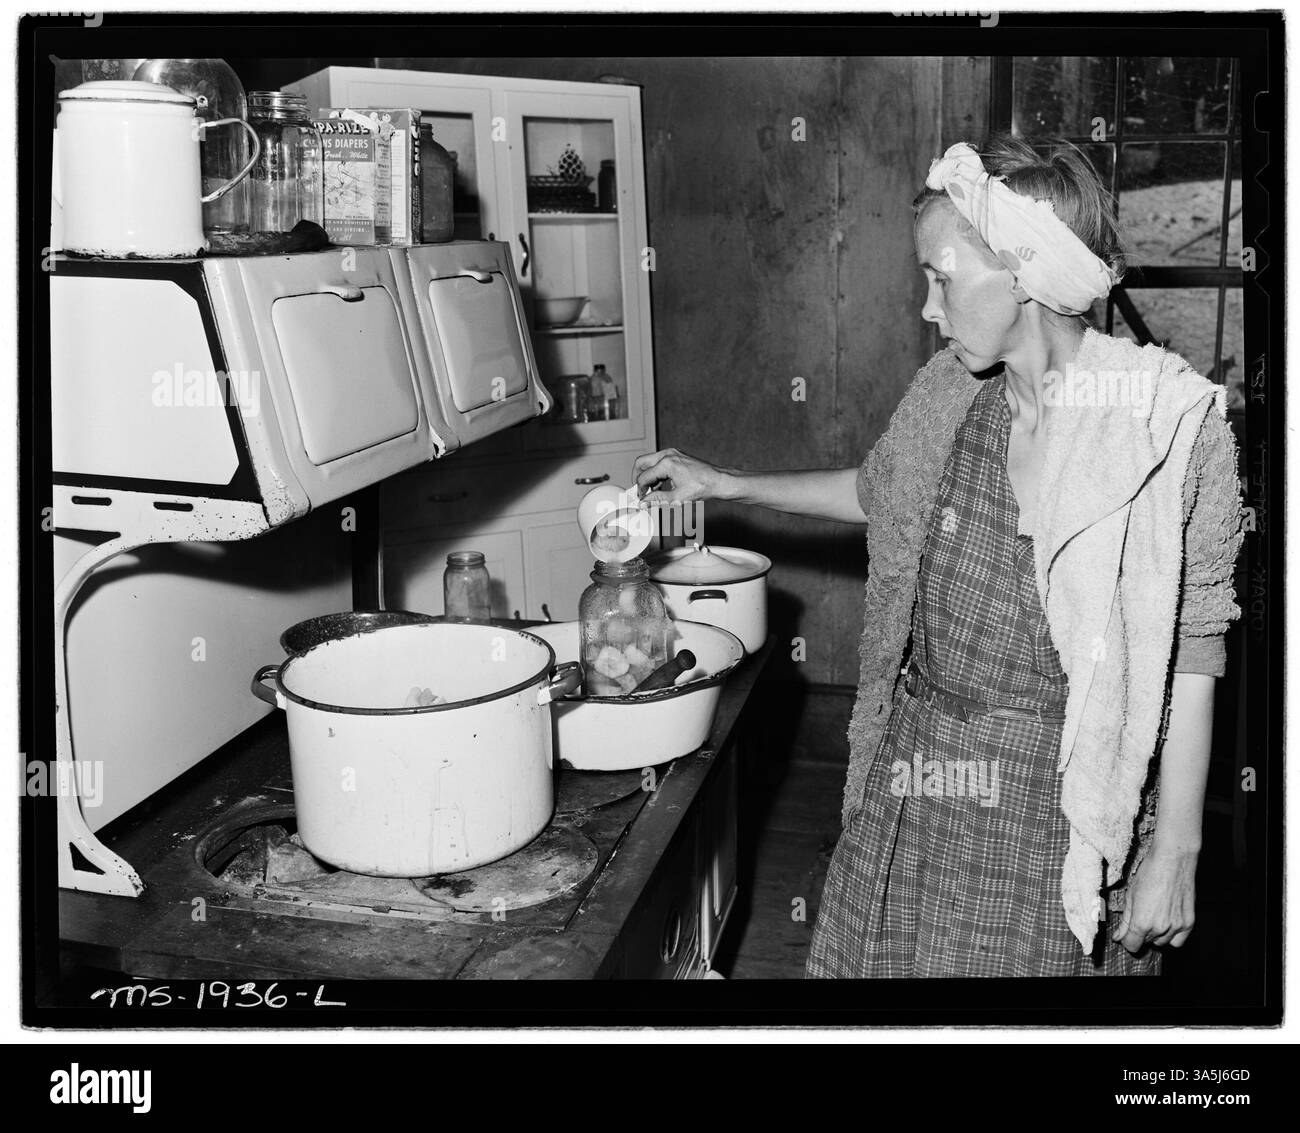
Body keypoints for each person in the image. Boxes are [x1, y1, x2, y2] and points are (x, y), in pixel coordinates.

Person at [631, 134, 1244, 977]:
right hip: (919, 776)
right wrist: (725, 482)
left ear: (1024, 275)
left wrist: (1177, 851)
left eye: (942, 276)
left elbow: (1194, 647)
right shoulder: (953, 395)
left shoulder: (1159, 430)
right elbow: (880, 489)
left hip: (1048, 810)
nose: (927, 305)